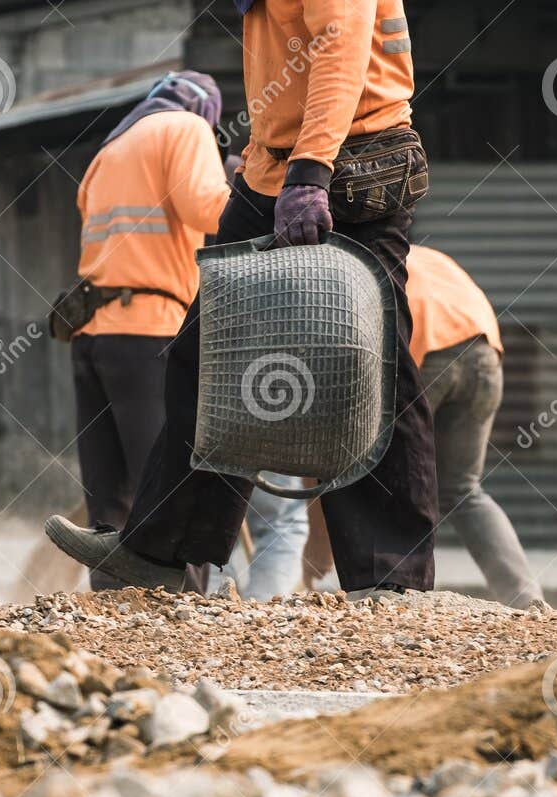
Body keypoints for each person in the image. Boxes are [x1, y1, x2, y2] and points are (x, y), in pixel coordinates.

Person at [44, 0, 437, 602]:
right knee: (205, 356)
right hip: (271, 169)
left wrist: (310, 172)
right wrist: (261, 174)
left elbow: (341, 43)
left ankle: (391, 575)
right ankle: (160, 552)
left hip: (352, 159)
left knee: (370, 362)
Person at [67, 71, 230, 588]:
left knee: (109, 496)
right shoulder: (185, 129)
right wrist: (244, 179)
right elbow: (208, 208)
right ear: (205, 112)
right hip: (152, 333)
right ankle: (185, 610)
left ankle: (110, 620)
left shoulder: (108, 152)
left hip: (92, 337)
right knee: (170, 490)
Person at [407, 245, 545, 608]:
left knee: (390, 484)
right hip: (484, 357)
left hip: (426, 358)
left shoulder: (366, 260)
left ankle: (398, 596)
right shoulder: (431, 257)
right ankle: (525, 598)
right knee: (464, 490)